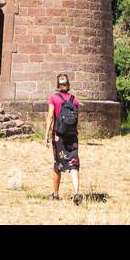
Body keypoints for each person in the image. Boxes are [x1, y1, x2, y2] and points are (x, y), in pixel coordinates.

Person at [44, 73, 80, 201]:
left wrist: (46, 135)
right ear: (68, 84)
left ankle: (55, 194)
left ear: (58, 85)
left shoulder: (54, 98)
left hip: (58, 136)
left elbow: (50, 116)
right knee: (74, 164)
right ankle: (76, 193)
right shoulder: (74, 100)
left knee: (58, 164)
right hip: (72, 136)